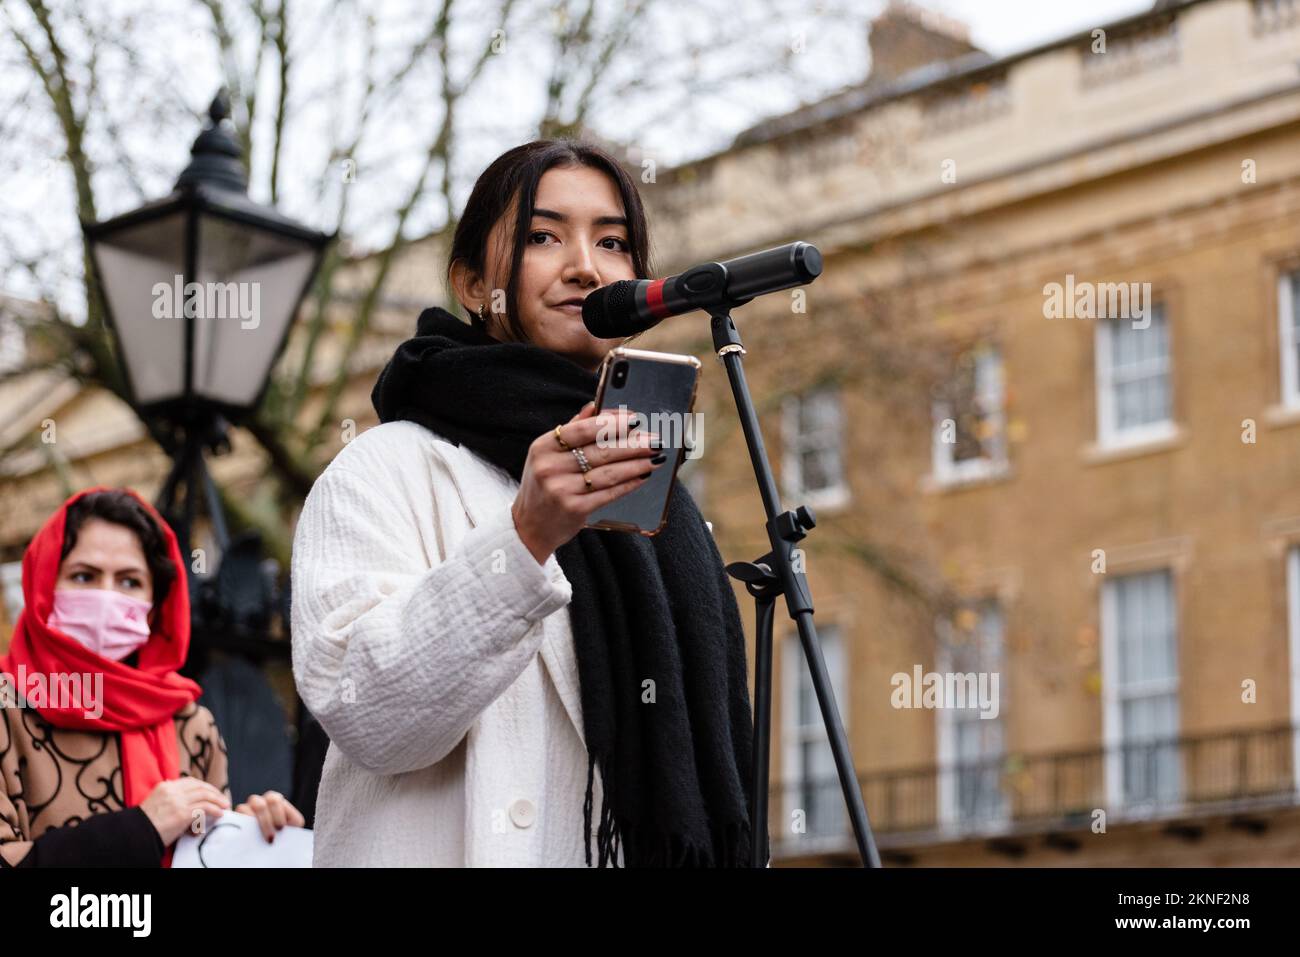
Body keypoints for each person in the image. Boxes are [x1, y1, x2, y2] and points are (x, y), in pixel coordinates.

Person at [291, 139, 762, 867]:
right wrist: (523, 538)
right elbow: (366, 714)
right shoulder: (383, 467)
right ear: (475, 285)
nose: (585, 264)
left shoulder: (664, 502)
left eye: (613, 241)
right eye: (544, 236)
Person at [0, 487, 304, 867]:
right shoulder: (9, 708)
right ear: (44, 584)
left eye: (130, 582)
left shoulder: (190, 725)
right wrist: (141, 828)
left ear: (155, 606)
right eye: (83, 576)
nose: (107, 596)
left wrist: (253, 836)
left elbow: (202, 854)